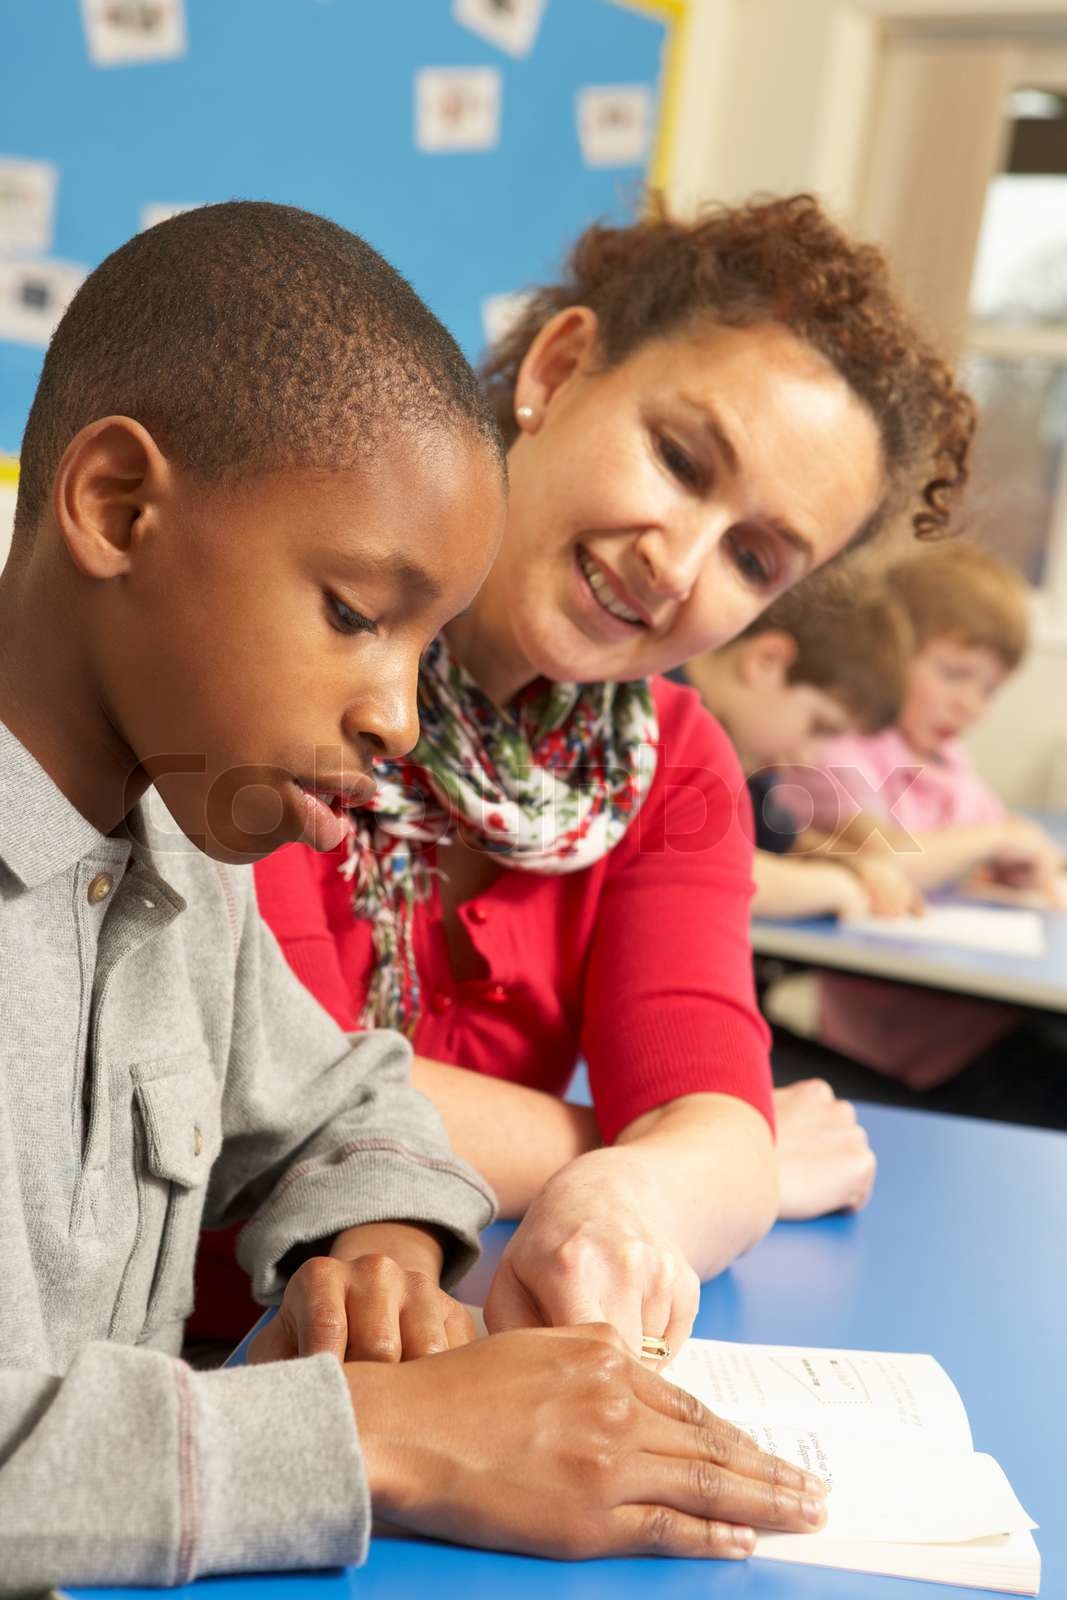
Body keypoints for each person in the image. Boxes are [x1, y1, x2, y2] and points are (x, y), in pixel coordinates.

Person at [0, 201, 830, 1591]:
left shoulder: (172, 861)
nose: (395, 716)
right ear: (117, 509)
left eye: (424, 641)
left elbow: (356, 1100)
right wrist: (387, 1435)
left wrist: (372, 1245)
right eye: (352, 613)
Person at [206, 195, 975, 1354]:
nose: (676, 564)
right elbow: (271, 1091)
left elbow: (704, 1114)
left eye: (753, 557)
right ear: (558, 371)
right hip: (146, 1363)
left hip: (416, 1374)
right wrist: (647, 1144)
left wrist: (641, 1190)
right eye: (676, 459)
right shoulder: (303, 623)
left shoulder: (673, 761)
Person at [776, 542, 1067, 1124]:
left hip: (982, 1016)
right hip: (909, 1047)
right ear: (888, 657)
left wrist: (1024, 865)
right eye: (954, 674)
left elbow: (1009, 854)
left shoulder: (947, 758)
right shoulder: (840, 744)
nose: (969, 702)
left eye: (988, 688)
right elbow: (886, 856)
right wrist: (992, 841)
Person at [684, 584, 921, 923]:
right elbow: (696, 867)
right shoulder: (664, 718)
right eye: (818, 726)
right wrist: (838, 886)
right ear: (767, 661)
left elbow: (780, 842)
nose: (808, 758)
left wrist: (855, 867)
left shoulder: (744, 761)